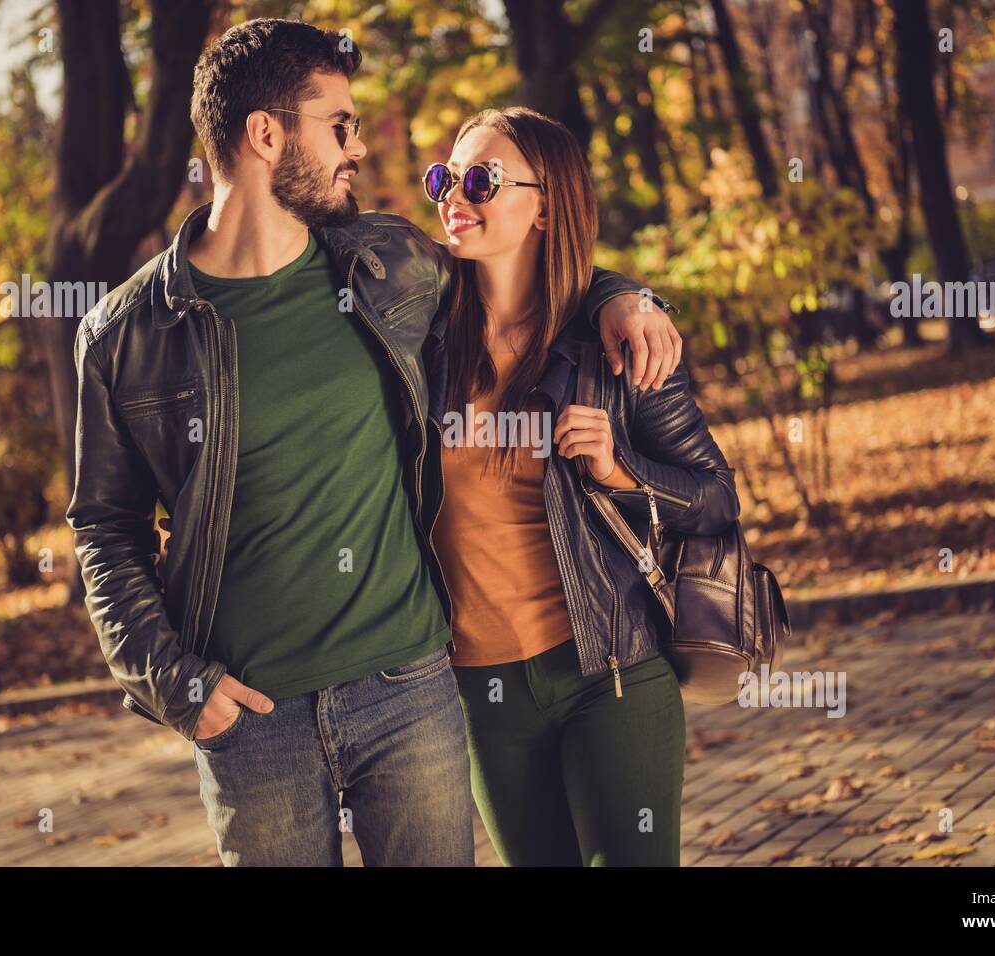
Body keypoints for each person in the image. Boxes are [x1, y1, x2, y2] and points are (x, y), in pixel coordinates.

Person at [66, 19, 682, 866]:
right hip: (250, 720)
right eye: (340, 126)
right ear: (265, 134)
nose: (356, 147)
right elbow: (104, 528)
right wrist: (176, 685)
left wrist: (623, 295)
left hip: (413, 695)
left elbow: (520, 268)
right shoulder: (125, 335)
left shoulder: (387, 264)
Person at [422, 107, 741, 865]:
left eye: (482, 179)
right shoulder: (420, 336)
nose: (453, 196)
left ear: (546, 206)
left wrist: (619, 472)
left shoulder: (614, 347)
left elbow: (717, 497)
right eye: (445, 178)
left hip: (613, 672)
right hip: (481, 691)